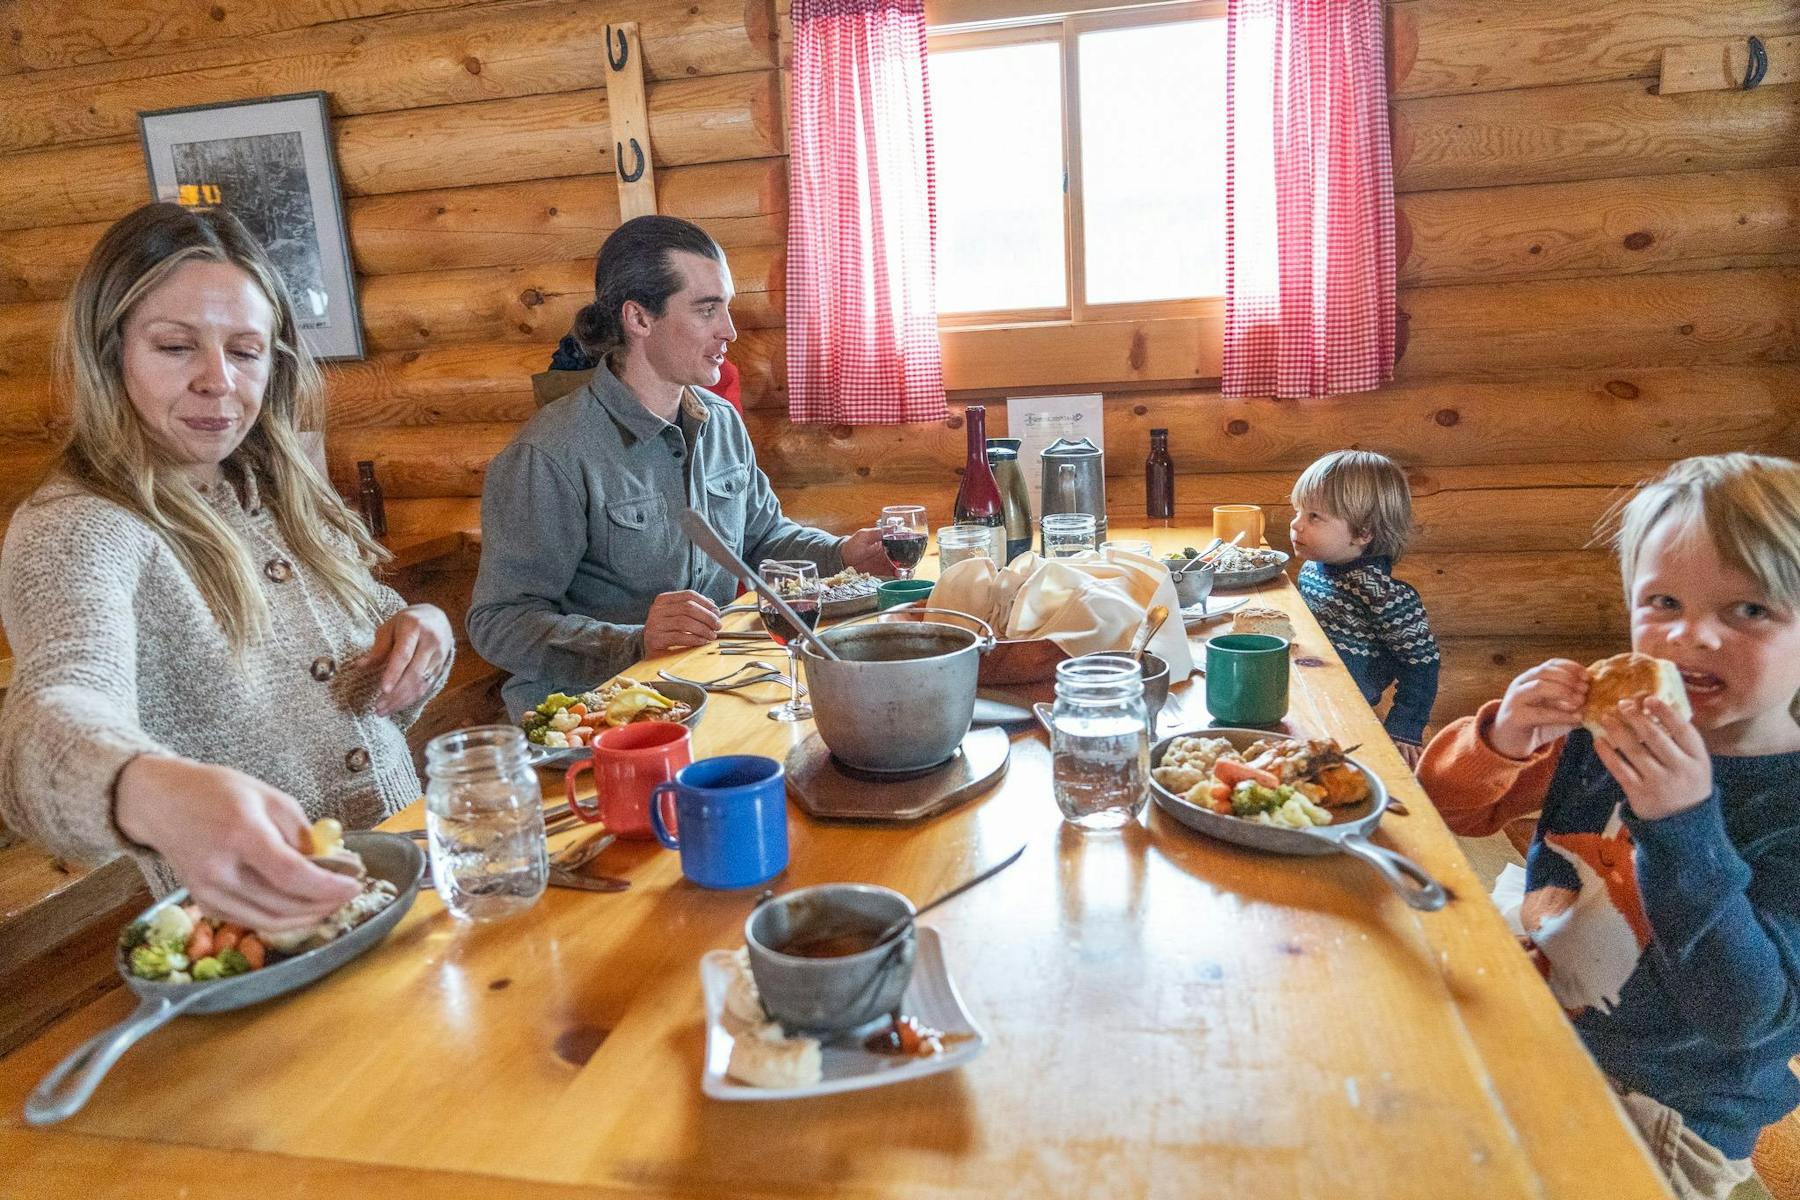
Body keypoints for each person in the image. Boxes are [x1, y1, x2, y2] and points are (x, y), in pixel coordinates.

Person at [0, 203, 455, 932]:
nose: (220, 381)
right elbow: (47, 722)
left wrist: (425, 630)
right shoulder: (75, 529)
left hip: (408, 886)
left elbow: (379, 653)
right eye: (177, 346)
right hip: (271, 944)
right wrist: (144, 788)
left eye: (245, 351)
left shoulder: (274, 492)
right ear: (109, 350)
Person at [1417, 453, 1800, 1200]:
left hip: (1671, 1111)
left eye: (1749, 610)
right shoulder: (1601, 727)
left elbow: (1745, 1014)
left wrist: (1683, 827)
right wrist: (1502, 739)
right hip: (1538, 1021)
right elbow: (1446, 811)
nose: (1692, 637)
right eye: (1662, 602)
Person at [469, 215, 890, 717]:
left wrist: (843, 554)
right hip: (589, 730)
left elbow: (762, 540)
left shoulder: (723, 422)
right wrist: (634, 642)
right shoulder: (548, 455)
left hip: (710, 694)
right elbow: (499, 622)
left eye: (725, 307)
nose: (729, 331)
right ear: (639, 319)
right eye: (707, 310)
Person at [1288, 450, 1440, 762]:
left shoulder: (1386, 596)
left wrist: (1404, 728)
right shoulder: (1313, 569)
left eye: (1313, 516)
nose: (1296, 524)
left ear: (1363, 533)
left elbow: (1422, 666)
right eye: (1299, 512)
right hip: (1307, 693)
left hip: (1348, 714)